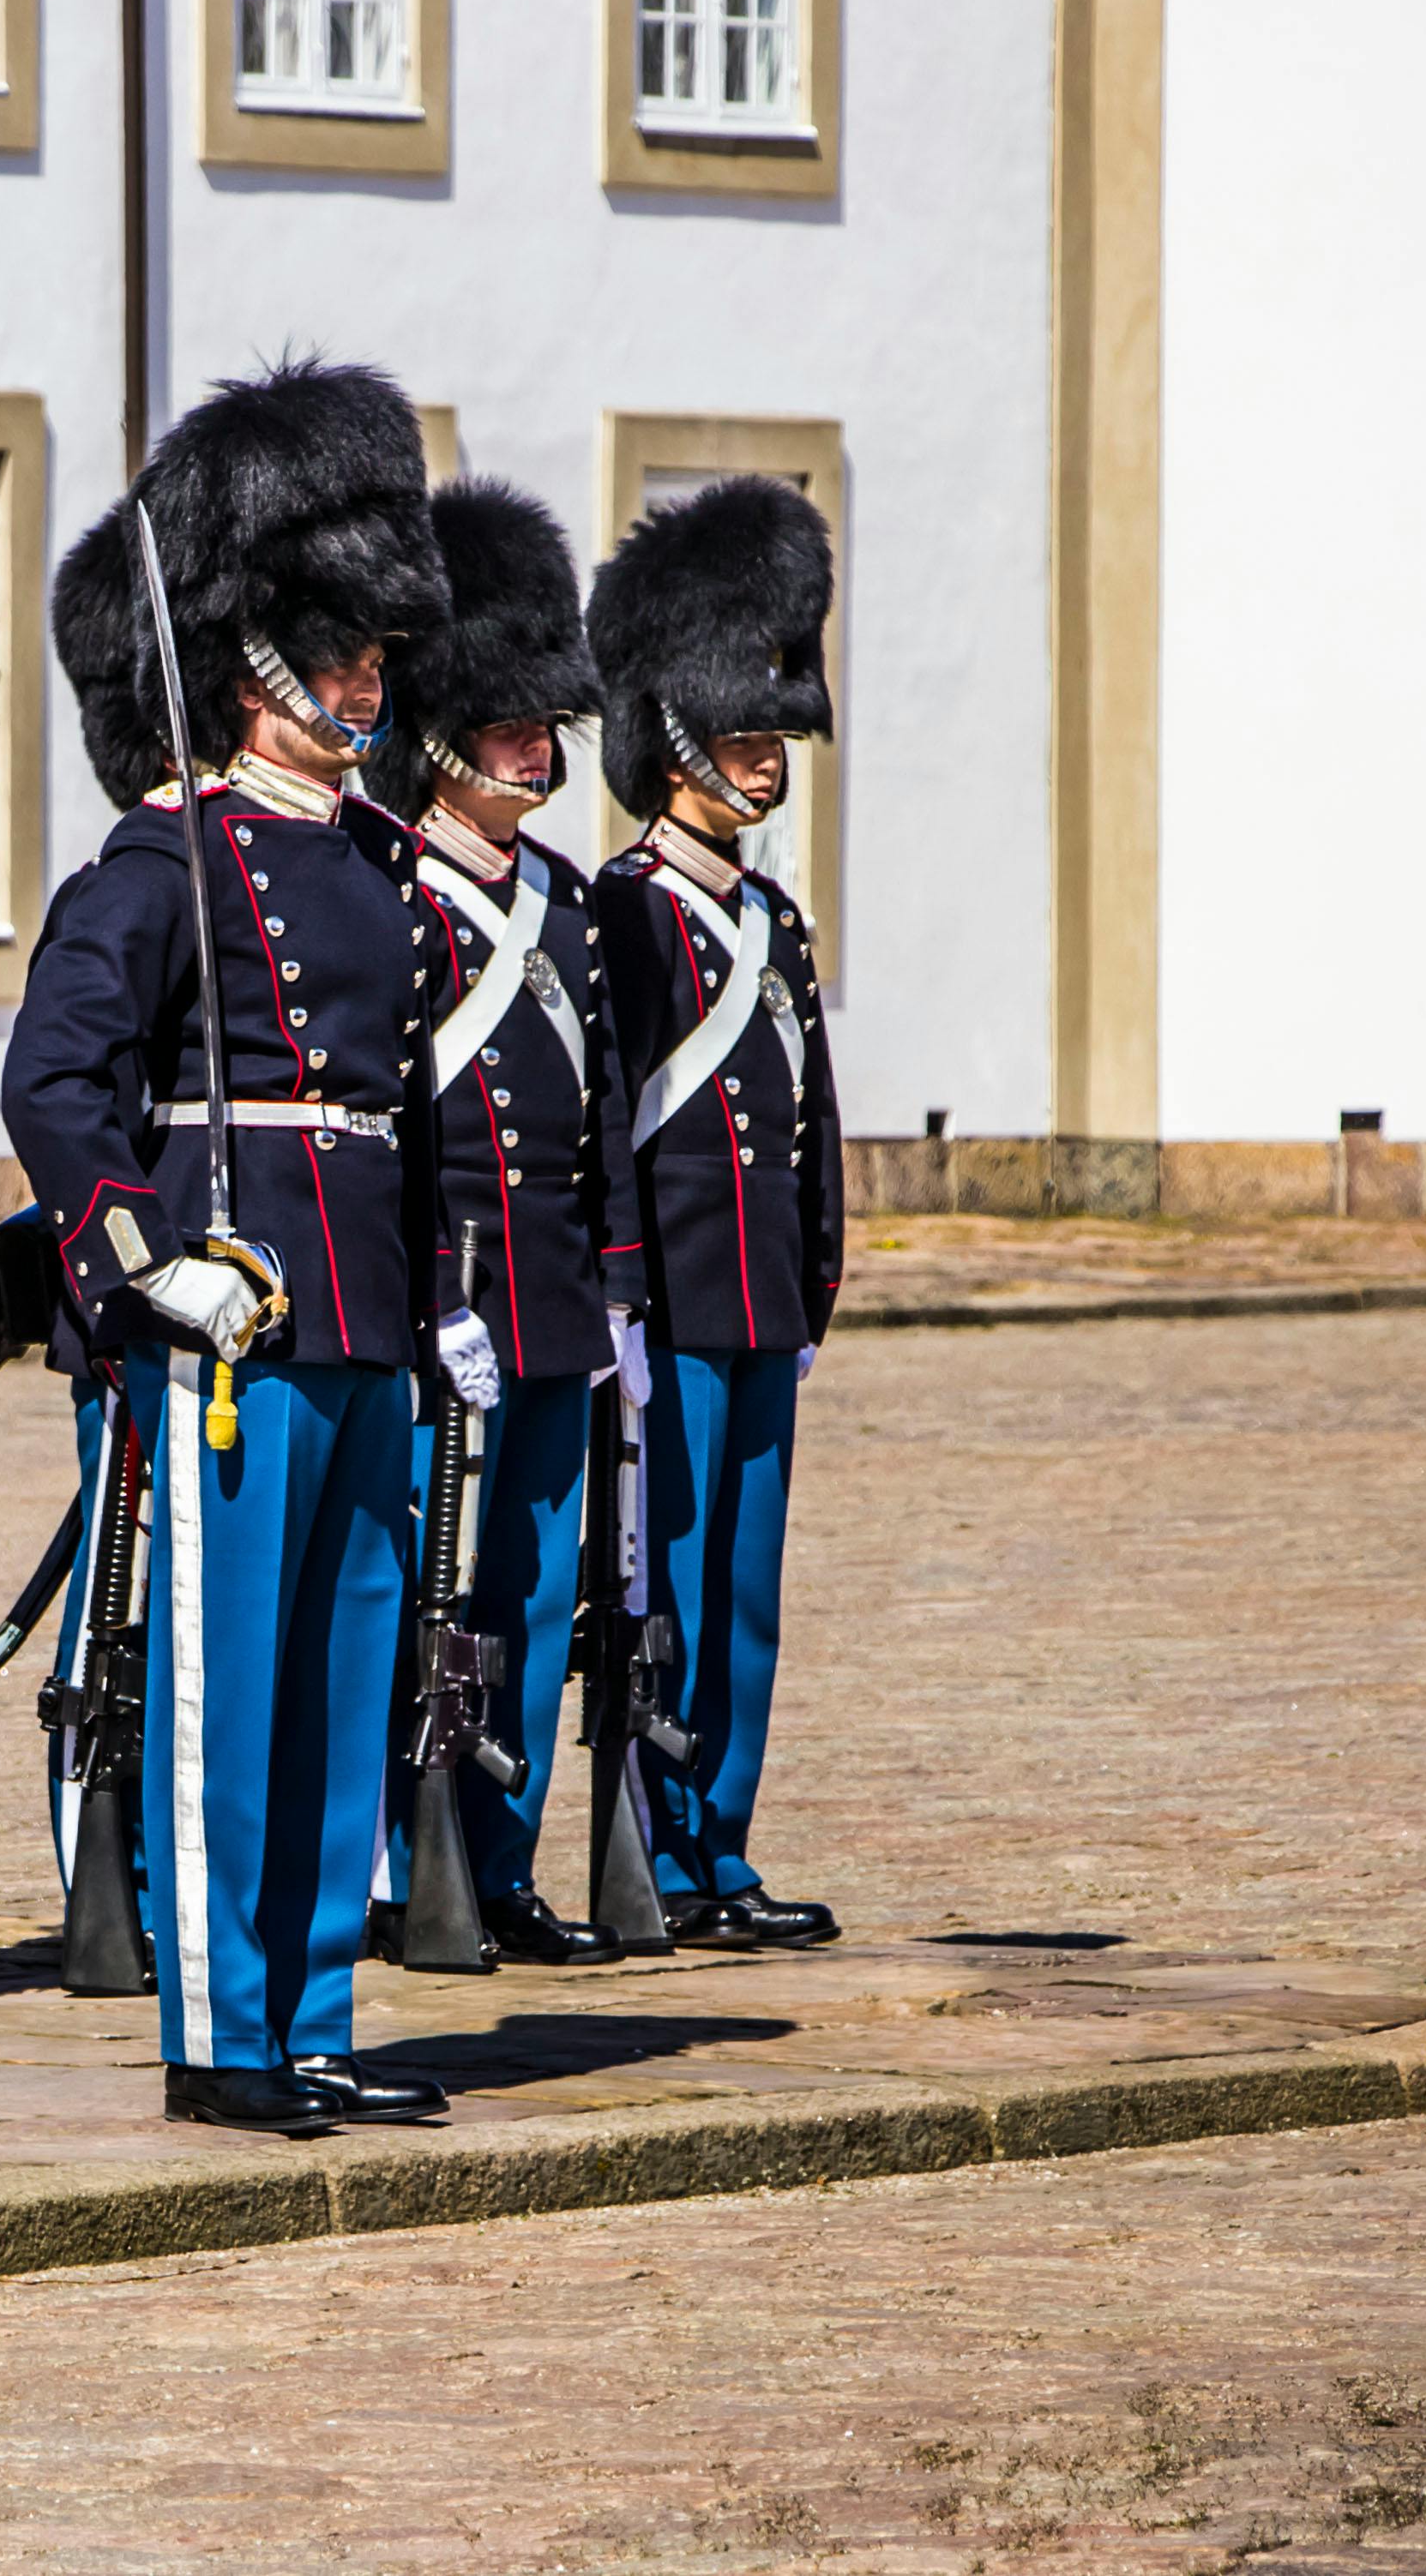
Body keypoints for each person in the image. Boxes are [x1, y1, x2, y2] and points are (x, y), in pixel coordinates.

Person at [0, 359, 455, 2135]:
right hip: (226, 1317)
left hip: (353, 1310)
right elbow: (53, 1079)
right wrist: (131, 1259)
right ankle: (218, 2026)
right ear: (252, 662)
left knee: (343, 1685)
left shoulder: (368, 859)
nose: (362, 687)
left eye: (367, 658)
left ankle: (315, 2008)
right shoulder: (160, 864)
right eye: (332, 659)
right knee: (226, 1698)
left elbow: (388, 1104)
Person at [360, 477, 631, 1968]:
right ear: (449, 731)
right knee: (427, 1588)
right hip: (442, 1297)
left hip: (549, 1298)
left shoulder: (570, 909)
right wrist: (421, 1303)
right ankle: (415, 1859)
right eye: (512, 726)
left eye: (547, 728)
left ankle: (503, 1861)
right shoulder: (395, 893)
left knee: (525, 1587)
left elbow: (590, 1128)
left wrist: (612, 1300)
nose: (537, 752)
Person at [584, 477, 847, 1952]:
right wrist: (620, 1290)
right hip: (673, 1294)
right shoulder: (629, 912)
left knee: (743, 1586)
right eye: (743, 735)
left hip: (755, 1295)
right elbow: (608, 1116)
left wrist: (814, 1283)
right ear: (674, 741)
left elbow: (806, 1120)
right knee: (664, 1580)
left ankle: (722, 1840)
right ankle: (658, 1845)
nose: (765, 757)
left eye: (772, 734)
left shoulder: (771, 923)